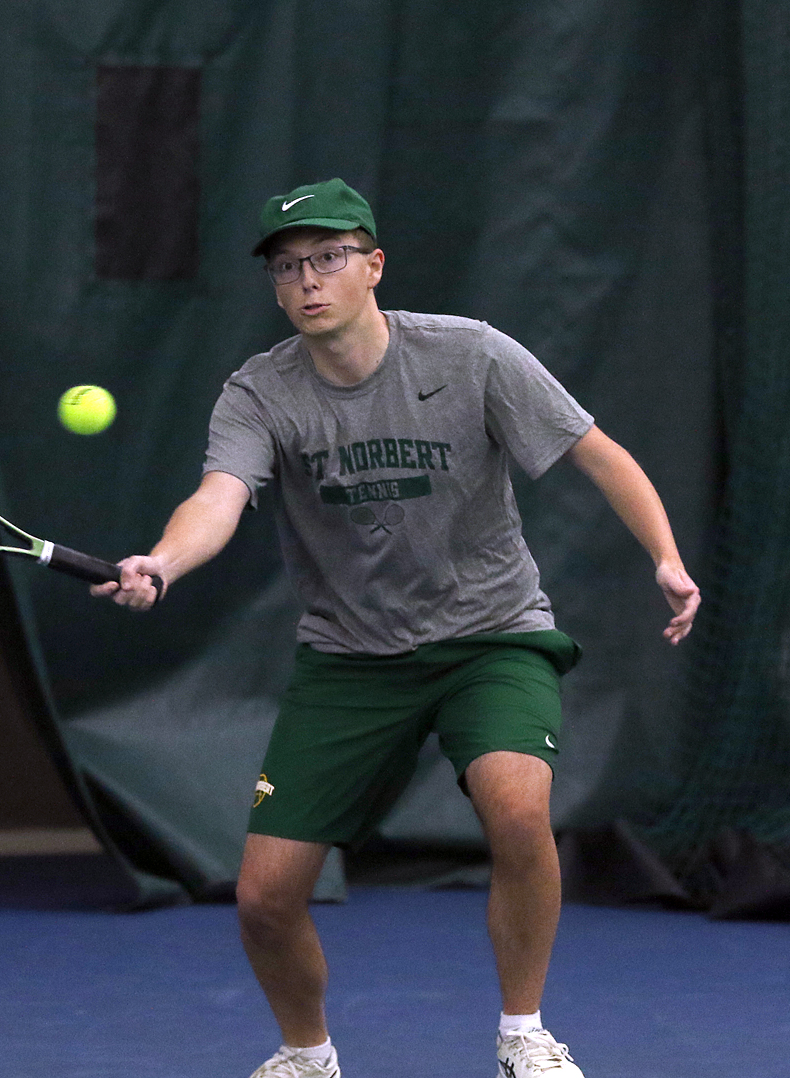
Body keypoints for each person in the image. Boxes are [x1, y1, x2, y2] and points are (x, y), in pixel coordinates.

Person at [92, 178, 700, 1078]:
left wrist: (665, 556)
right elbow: (217, 499)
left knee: (519, 808)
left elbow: (598, 452)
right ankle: (308, 1056)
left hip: (491, 637)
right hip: (350, 662)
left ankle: (523, 1035)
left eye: (329, 259)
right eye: (288, 267)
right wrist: (164, 561)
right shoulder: (259, 393)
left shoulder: (472, 357)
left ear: (373, 266)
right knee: (264, 897)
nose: (308, 281)